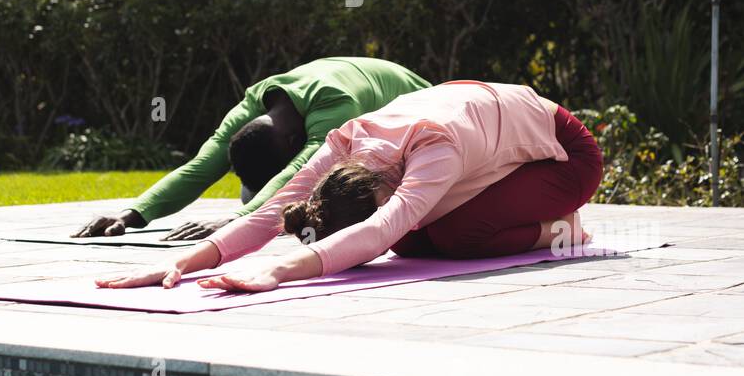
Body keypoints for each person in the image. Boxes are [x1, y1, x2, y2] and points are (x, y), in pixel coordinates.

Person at [95, 81, 603, 293]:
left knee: (453, 237)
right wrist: (185, 262)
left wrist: (278, 270)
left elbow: (382, 227)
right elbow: (274, 210)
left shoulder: (434, 149)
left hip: (563, 154)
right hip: (485, 126)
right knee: (413, 241)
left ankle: (563, 229)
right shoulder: (346, 142)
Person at [73, 56, 429, 239]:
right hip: (355, 93)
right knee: (254, 197)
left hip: (417, 104)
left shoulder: (335, 106)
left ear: (295, 142)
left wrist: (237, 222)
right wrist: (131, 215)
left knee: (345, 196)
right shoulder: (250, 109)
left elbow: (300, 171)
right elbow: (200, 167)